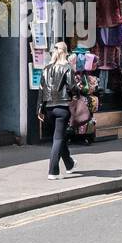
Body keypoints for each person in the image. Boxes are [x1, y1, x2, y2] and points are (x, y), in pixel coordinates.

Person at [39, 42, 78, 180]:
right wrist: (77, 93)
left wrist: (40, 109)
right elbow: (73, 87)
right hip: (62, 107)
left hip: (48, 108)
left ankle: (69, 164)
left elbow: (41, 89)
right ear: (66, 52)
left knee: (60, 137)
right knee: (58, 139)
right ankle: (53, 171)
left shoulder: (46, 68)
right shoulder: (67, 68)